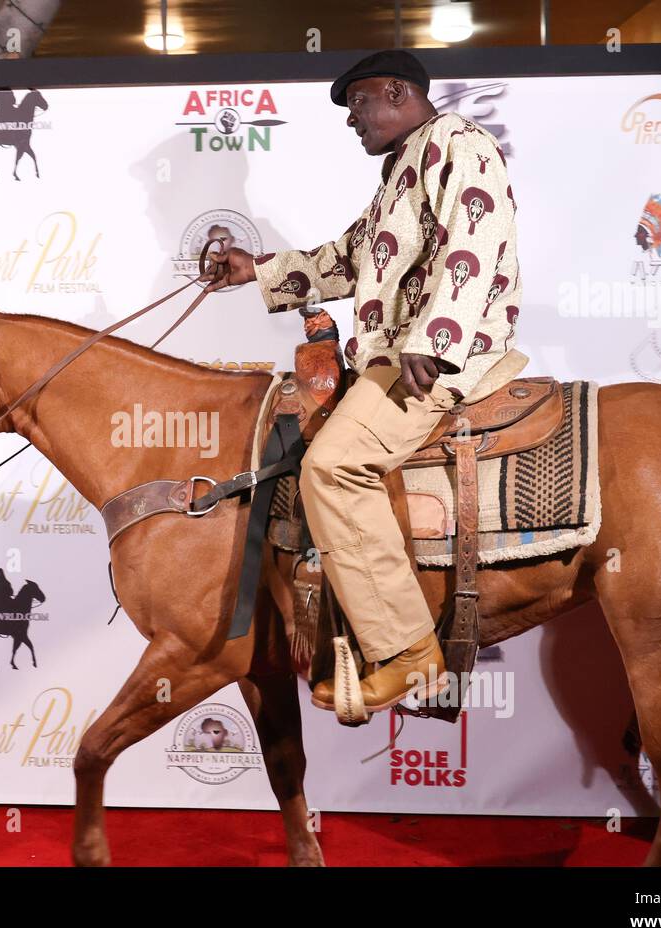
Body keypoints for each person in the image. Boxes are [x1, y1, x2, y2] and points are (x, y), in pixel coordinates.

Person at [206, 50, 524, 712]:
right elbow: (347, 260)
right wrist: (255, 271)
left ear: (400, 91)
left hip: (435, 355)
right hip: (398, 350)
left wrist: (435, 342)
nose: (353, 121)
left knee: (332, 467)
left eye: (359, 105)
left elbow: (476, 238)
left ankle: (408, 652)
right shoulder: (402, 169)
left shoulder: (459, 145)